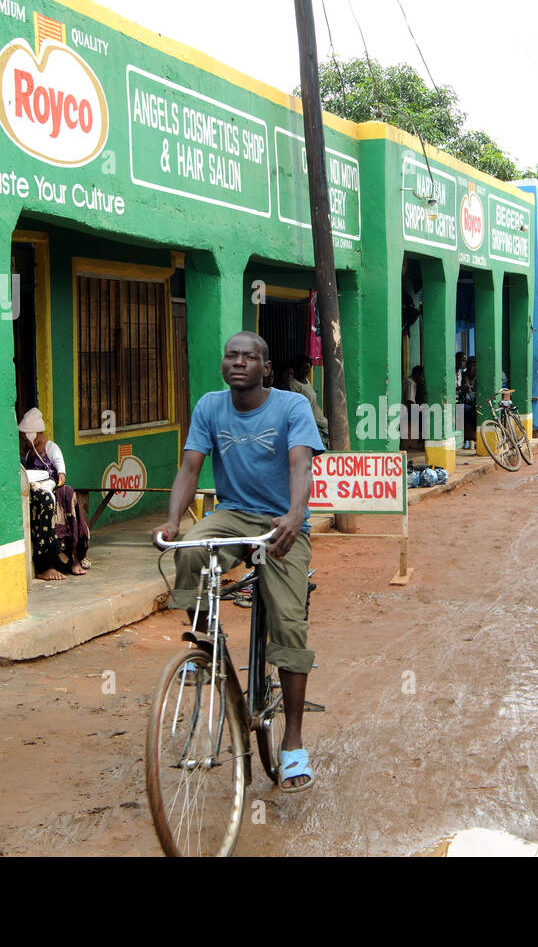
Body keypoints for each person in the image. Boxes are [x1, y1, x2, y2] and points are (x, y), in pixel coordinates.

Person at [152, 332, 324, 792]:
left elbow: (300, 464)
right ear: (223, 364)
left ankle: (292, 742)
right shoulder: (209, 406)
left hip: (281, 523)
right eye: (232, 355)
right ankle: (207, 648)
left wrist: (294, 514)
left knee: (288, 623)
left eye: (250, 357)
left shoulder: (292, 407)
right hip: (231, 516)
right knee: (189, 551)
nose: (240, 362)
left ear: (266, 368)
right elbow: (190, 468)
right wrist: (172, 524)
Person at [19, 407, 91, 580]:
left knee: (54, 497)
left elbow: (60, 468)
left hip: (48, 483)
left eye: (25, 437)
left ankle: (72, 557)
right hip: (33, 484)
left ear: (33, 434)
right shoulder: (29, 452)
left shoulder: (51, 448)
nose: (23, 440)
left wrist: (60, 476)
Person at [289, 356, 329, 446]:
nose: (305, 370)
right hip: (312, 423)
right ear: (297, 368)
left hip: (320, 420)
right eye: (303, 368)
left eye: (308, 368)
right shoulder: (293, 384)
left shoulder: (307, 381)